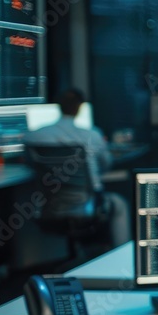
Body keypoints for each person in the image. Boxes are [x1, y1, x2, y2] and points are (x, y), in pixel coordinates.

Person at [23, 89, 131, 246]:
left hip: (49, 207)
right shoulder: (92, 135)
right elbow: (105, 165)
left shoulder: (32, 136)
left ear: (58, 106)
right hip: (87, 206)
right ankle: (122, 257)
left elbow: (30, 163)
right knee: (120, 204)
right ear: (80, 108)